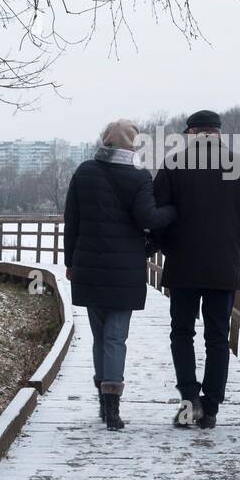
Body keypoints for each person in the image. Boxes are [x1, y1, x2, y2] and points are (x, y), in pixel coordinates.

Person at [152, 109, 240, 428]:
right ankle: (211, 407)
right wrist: (233, 249)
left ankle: (190, 402)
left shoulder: (173, 165)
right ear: (218, 134)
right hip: (222, 268)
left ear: (190, 134)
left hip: (183, 266)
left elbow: (156, 216)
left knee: (182, 333)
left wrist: (170, 248)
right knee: (218, 337)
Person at [64, 119, 176, 430]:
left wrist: (70, 261)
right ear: (132, 145)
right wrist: (174, 212)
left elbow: (71, 220)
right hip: (125, 270)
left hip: (87, 267)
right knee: (116, 338)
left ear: (104, 141)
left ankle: (104, 403)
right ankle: (112, 408)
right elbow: (148, 217)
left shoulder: (84, 172)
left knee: (100, 337)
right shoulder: (137, 177)